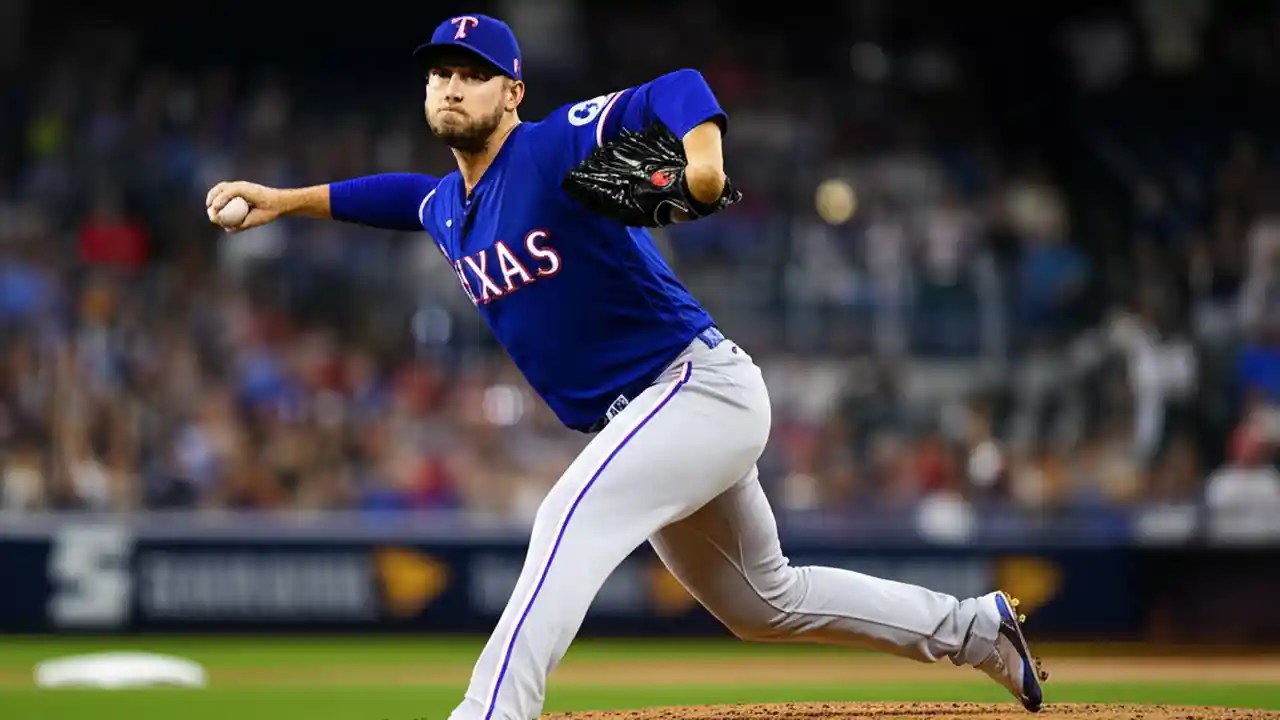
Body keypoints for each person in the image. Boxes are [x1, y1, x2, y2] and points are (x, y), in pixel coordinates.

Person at [205, 13, 1046, 720]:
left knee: (568, 515)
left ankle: (491, 711)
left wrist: (704, 157)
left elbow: (674, 88)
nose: (452, 86)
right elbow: (391, 197)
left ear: (514, 92)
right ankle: (978, 629)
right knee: (765, 603)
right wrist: (285, 201)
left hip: (695, 388)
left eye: (474, 73)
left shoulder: (547, 150)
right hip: (649, 420)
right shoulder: (448, 206)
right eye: (440, 75)